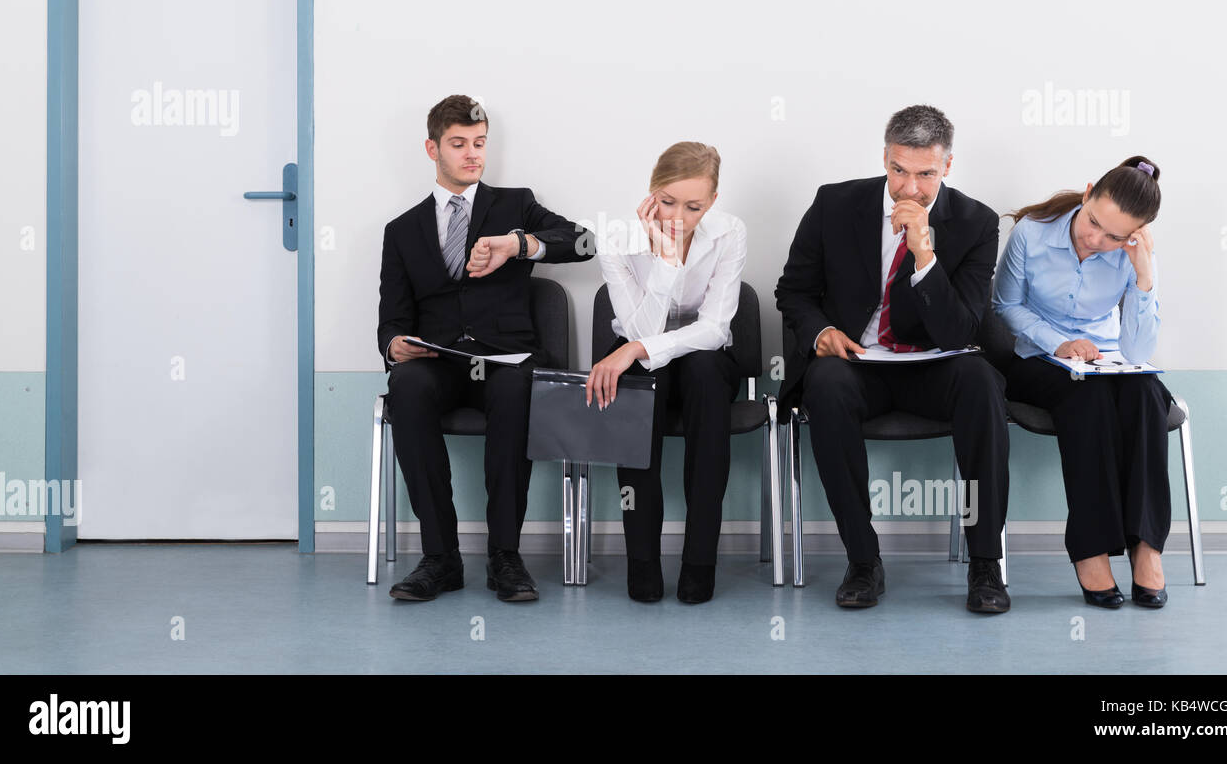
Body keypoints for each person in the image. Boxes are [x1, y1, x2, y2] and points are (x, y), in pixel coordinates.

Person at [775, 105, 1011, 614]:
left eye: (925, 174)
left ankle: (986, 563)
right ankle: (863, 561)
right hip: (858, 364)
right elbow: (793, 292)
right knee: (826, 385)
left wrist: (924, 255)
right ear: (885, 158)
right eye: (899, 170)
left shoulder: (975, 223)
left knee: (982, 383)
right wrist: (820, 332)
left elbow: (962, 330)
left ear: (946, 166)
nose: (910, 187)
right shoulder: (834, 204)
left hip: (934, 365)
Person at [376, 95, 594, 603]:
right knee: (405, 387)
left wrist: (520, 244)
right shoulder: (401, 231)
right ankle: (440, 558)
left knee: (518, 388)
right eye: (458, 144)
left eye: (479, 143)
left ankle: (505, 556)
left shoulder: (515, 204)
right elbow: (391, 318)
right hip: (439, 362)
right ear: (432, 149)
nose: (473, 154)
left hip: (505, 359)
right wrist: (394, 345)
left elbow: (583, 242)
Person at [991, 156, 1171, 609]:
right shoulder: (1032, 233)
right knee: (1086, 399)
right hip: (1037, 358)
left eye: (1115, 236)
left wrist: (1144, 275)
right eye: (1094, 223)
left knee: (1147, 393)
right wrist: (1059, 343)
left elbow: (1135, 352)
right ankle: (1091, 551)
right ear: (1088, 192)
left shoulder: (1130, 256)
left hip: (1106, 360)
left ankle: (1146, 547)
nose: (1096, 240)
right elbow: (1005, 306)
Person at [586, 142, 746, 604]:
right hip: (639, 357)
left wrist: (636, 348)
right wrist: (668, 263)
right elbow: (642, 329)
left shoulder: (729, 232)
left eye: (694, 206)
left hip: (704, 358)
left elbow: (715, 329)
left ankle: (699, 561)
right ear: (650, 193)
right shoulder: (616, 239)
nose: (678, 216)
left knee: (703, 373)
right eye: (668, 201)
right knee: (638, 382)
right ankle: (643, 561)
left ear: (712, 202)